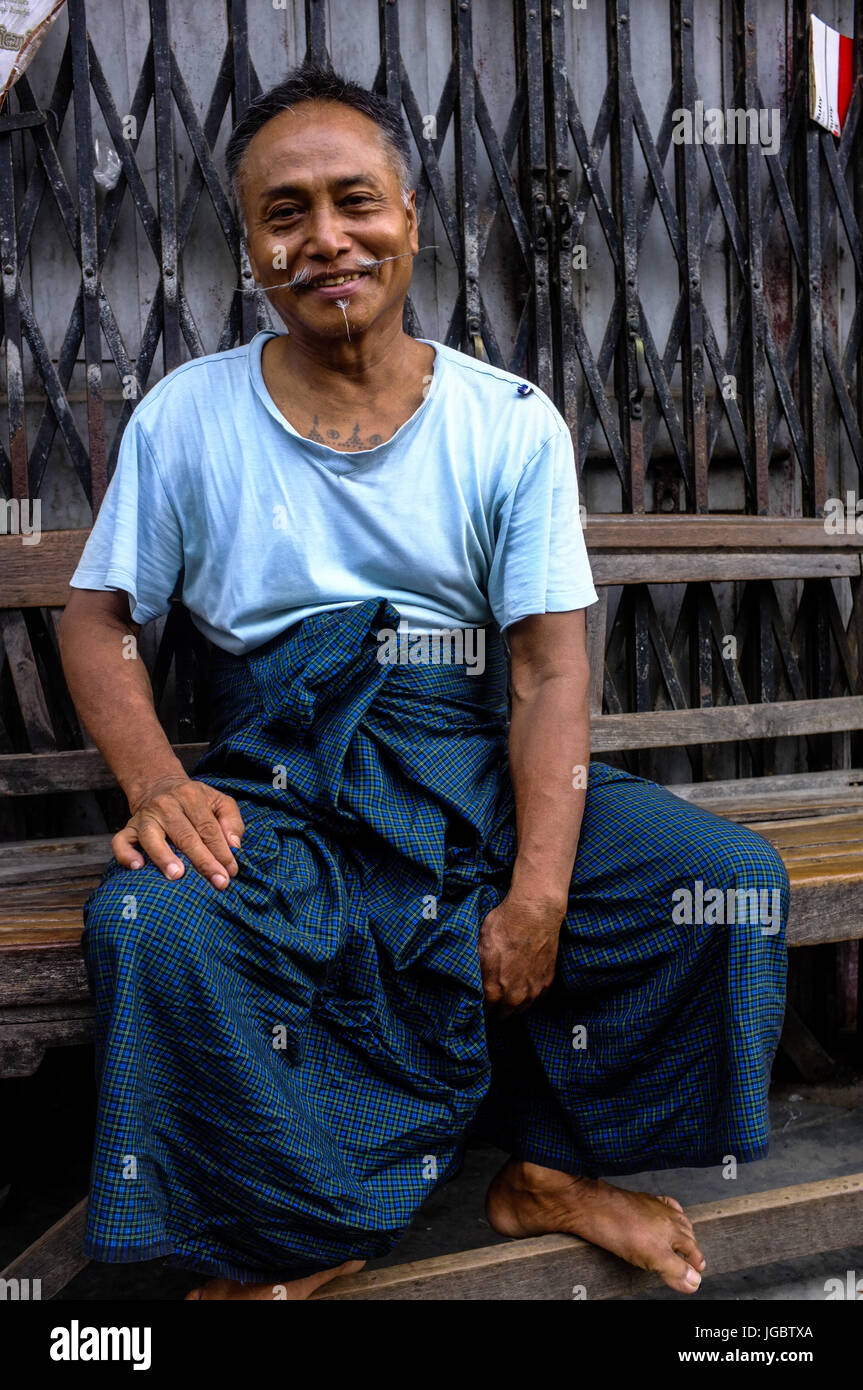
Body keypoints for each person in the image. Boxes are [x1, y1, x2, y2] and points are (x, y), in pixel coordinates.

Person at [59, 61, 788, 1301]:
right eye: (285, 214)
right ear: (250, 246)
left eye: (357, 201)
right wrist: (156, 783)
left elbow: (550, 668)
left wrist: (540, 889)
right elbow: (98, 618)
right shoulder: (189, 417)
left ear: (411, 218)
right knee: (156, 924)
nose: (326, 238)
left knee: (721, 885)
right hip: (287, 780)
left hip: (473, 765)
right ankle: (290, 1233)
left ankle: (548, 1171)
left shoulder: (506, 424)